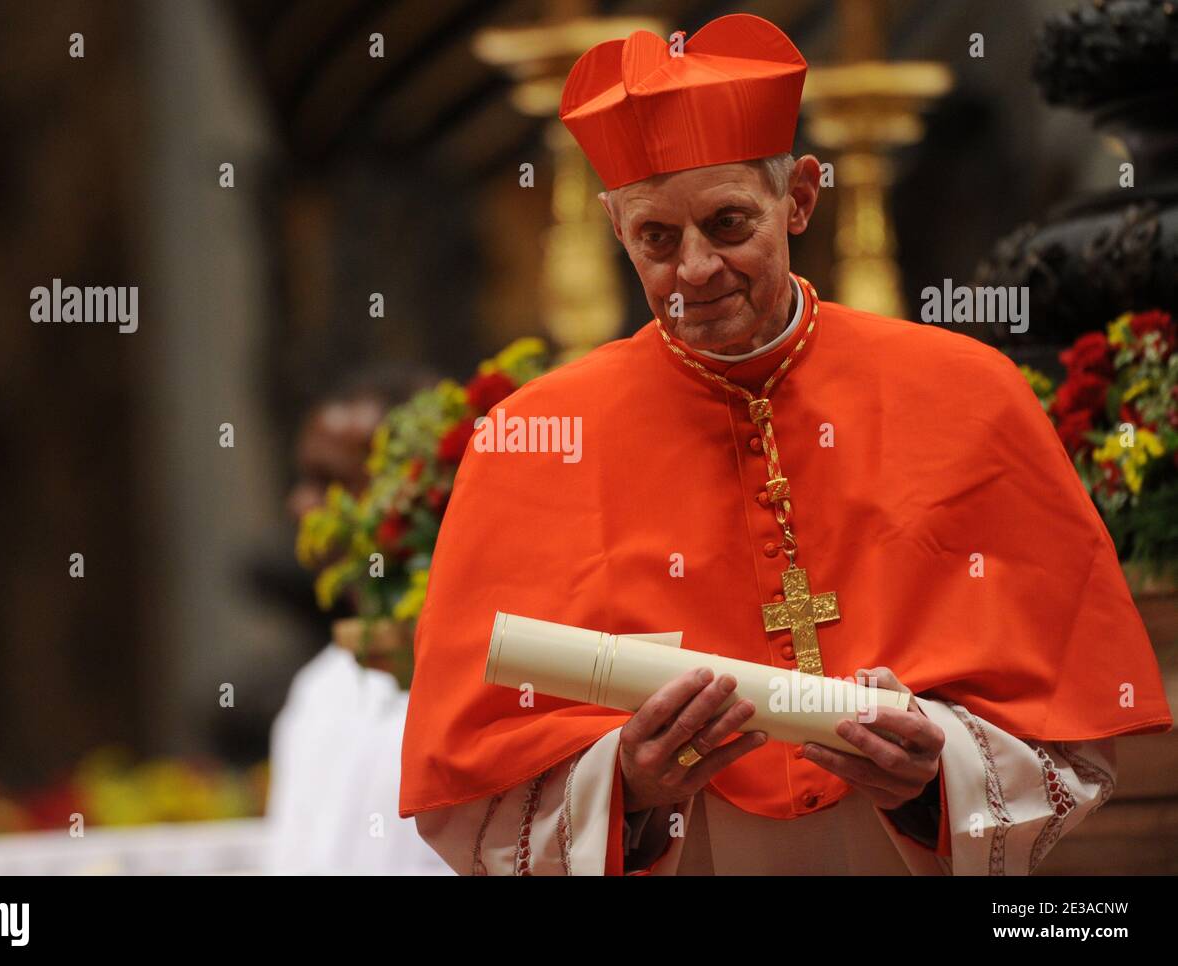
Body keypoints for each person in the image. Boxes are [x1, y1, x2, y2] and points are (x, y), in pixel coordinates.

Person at [398, 14, 1172, 875]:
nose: (696, 269)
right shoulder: (531, 442)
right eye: (657, 238)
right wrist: (626, 788)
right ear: (616, 229)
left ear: (799, 197)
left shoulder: (967, 393)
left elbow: (1074, 744)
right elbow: (471, 793)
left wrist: (930, 774)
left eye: (728, 224)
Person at [265, 364, 451, 874]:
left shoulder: (485, 680)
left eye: (329, 482)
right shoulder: (320, 688)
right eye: (304, 479)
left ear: (413, 498)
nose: (300, 504)